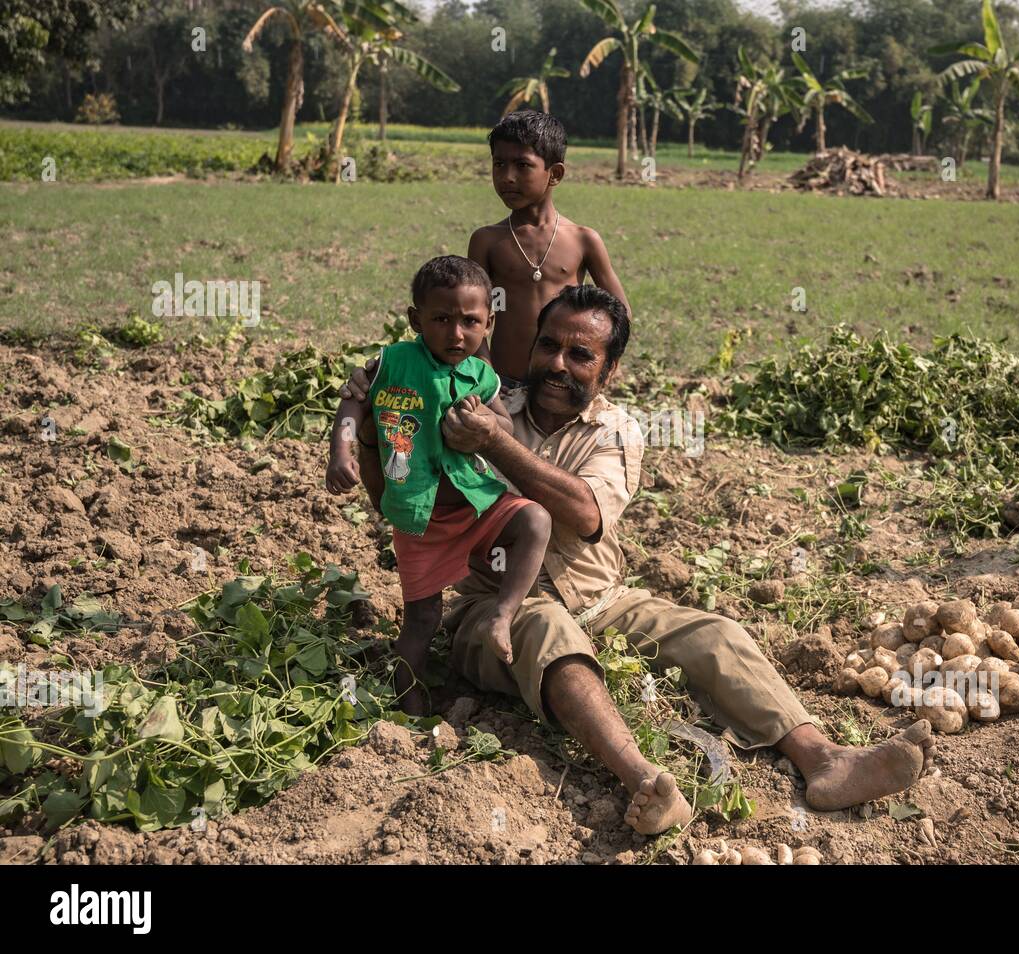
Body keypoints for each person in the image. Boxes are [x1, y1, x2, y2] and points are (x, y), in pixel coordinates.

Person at [341, 285, 935, 834]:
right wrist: (369, 419)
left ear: (609, 369)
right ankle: (648, 783)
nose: (557, 364)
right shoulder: (479, 403)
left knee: (716, 633)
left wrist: (497, 445)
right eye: (548, 345)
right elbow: (396, 481)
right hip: (494, 606)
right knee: (547, 629)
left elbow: (584, 513)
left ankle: (825, 759)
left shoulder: (615, 431)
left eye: (581, 354)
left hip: (605, 602)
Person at [326, 256, 552, 715]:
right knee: (422, 619)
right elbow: (351, 406)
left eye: (470, 322)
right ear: (416, 319)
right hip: (419, 518)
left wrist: (487, 421)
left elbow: (505, 427)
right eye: (441, 319)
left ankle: (502, 614)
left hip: (473, 502)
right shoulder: (391, 362)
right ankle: (408, 703)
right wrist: (342, 451)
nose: (456, 334)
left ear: (488, 322)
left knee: (535, 520)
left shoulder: (482, 375)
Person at [467, 110, 630, 388]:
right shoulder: (487, 241)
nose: (507, 177)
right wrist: (485, 372)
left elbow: (621, 313)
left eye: (522, 165)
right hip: (503, 382)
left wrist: (598, 370)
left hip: (565, 386)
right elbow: (472, 314)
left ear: (554, 174)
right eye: (499, 164)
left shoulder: (583, 240)